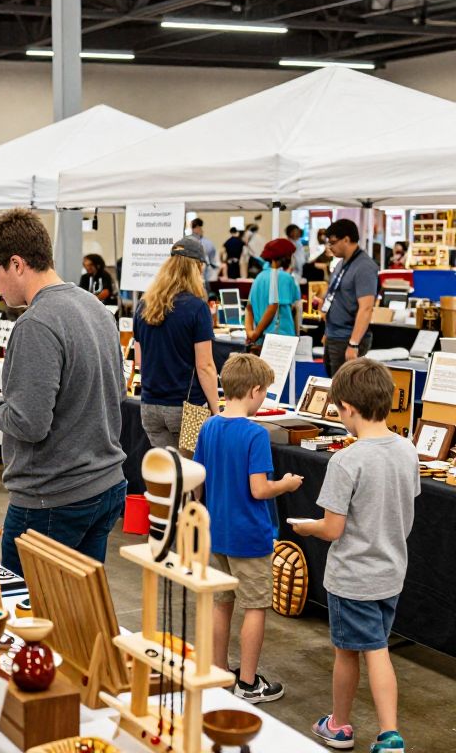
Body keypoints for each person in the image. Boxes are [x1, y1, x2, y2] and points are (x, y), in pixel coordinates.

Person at [0, 209, 128, 576]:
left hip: (53, 498)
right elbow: (102, 390)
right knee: (78, 612)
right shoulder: (94, 306)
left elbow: (30, 424)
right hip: (104, 484)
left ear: (16, 264)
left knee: (25, 618)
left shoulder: (35, 323)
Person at [292, 359, 417, 753]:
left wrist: (306, 527)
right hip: (390, 571)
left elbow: (332, 529)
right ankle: (339, 722)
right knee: (353, 646)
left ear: (345, 407)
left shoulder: (346, 460)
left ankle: (385, 733)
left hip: (353, 578)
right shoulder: (407, 450)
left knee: (368, 651)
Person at [194, 353, 302, 704]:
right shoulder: (255, 434)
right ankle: (248, 683)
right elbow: (259, 489)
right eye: (265, 393)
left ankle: (218, 672)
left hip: (216, 532)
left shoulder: (209, 426)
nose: (264, 399)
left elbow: (197, 482)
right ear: (255, 390)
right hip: (250, 536)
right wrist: (284, 484)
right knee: (255, 606)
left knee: (221, 604)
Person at [133, 237, 220, 449]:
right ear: (196, 267)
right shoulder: (197, 308)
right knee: (191, 475)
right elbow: (205, 366)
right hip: (188, 409)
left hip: (150, 407)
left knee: (167, 475)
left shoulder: (144, 305)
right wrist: (216, 411)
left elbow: (139, 362)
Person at [319, 219, 379, 378]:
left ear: (346, 239)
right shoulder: (340, 264)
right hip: (333, 335)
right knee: (332, 386)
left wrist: (354, 344)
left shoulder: (364, 266)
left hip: (347, 337)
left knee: (344, 390)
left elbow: (366, 308)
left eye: (333, 242)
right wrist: (327, 332)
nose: (330, 247)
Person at [245, 238, 302, 348]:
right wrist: (257, 332)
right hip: (281, 338)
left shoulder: (259, 277)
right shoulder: (284, 278)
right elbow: (274, 307)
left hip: (260, 341)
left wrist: (251, 333)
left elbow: (249, 308)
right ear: (285, 257)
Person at [190, 217, 219, 290]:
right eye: (196, 228)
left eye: (199, 227)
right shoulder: (188, 241)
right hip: (192, 274)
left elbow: (213, 260)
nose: (198, 229)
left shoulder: (207, 243)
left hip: (203, 275)